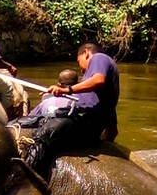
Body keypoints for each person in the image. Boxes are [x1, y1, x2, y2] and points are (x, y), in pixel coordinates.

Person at [23, 42, 120, 180]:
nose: (81, 71)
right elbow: (112, 126)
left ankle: (29, 180)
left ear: (86, 53)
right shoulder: (104, 93)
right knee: (27, 121)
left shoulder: (99, 58)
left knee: (45, 133)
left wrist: (67, 90)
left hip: (83, 119)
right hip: (81, 119)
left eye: (79, 61)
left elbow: (98, 80)